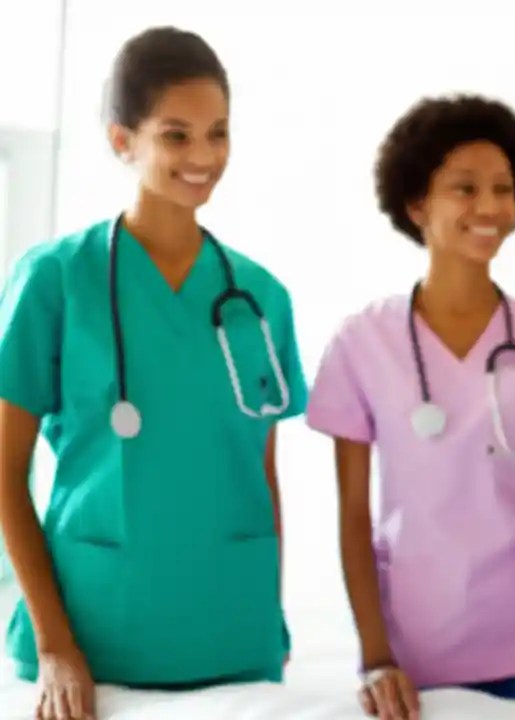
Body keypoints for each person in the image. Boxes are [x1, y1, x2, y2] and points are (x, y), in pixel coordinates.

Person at [0, 26, 308, 719]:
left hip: (233, 635)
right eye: (176, 135)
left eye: (218, 133)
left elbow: (260, 473)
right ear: (122, 140)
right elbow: (3, 473)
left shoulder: (260, 298)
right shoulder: (54, 280)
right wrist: (54, 646)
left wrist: (268, 612)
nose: (203, 157)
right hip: (93, 634)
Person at [305, 94, 515, 720]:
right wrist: (375, 656)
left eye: (503, 189)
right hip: (412, 647)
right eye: (464, 188)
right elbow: (352, 515)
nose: (490, 207)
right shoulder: (362, 341)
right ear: (417, 204)